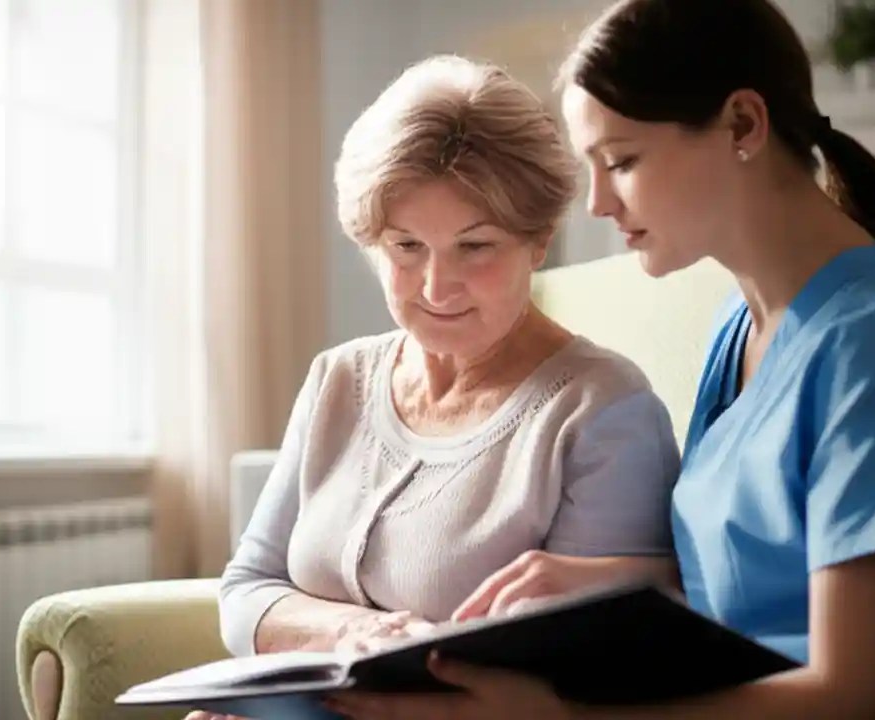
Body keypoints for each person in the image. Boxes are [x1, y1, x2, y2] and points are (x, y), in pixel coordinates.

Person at [326, 1, 875, 719]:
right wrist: (611, 582)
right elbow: (772, 569)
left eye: (621, 161)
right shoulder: (741, 329)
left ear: (743, 124)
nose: (596, 205)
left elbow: (866, 693)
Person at [203, 53, 680, 693]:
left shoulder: (603, 411)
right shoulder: (336, 380)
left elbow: (585, 673)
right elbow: (246, 590)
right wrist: (346, 636)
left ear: (537, 239)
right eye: (406, 247)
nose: (436, 285)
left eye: (475, 246)